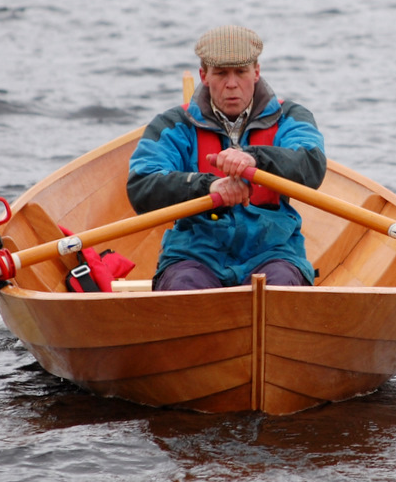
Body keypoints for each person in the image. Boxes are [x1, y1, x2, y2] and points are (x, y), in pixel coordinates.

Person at [127, 24, 327, 290]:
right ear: (204, 75)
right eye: (220, 74)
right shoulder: (172, 124)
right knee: (183, 286)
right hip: (195, 252)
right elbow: (141, 185)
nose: (231, 84)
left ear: (256, 72)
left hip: (273, 251)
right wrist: (208, 186)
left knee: (281, 288)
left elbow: (311, 164)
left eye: (241, 72)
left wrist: (253, 158)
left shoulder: (292, 117)